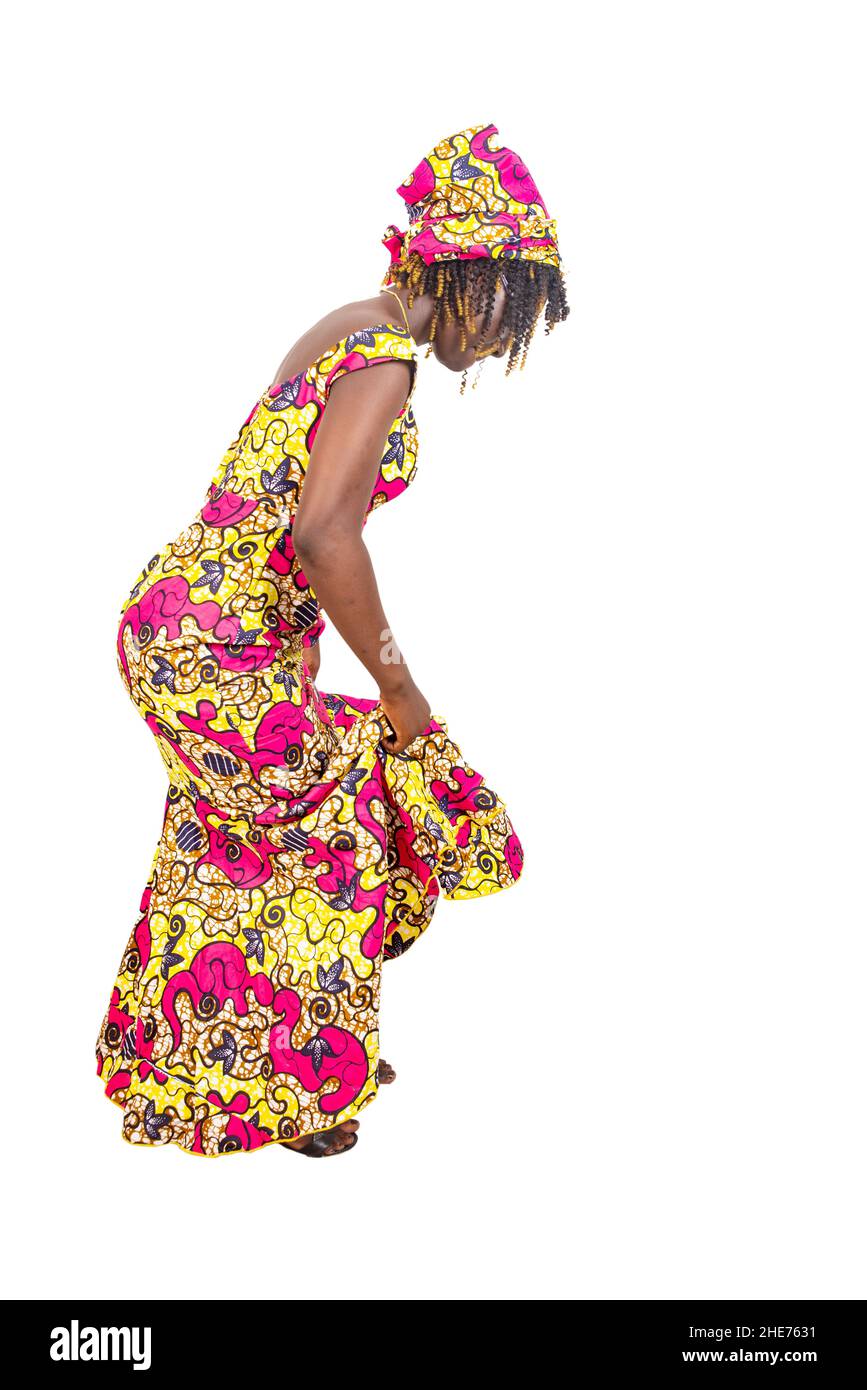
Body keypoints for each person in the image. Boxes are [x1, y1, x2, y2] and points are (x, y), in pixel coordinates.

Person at [96, 121, 570, 1158]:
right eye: (504, 306)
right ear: (458, 266)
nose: (498, 340)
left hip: (190, 623)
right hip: (215, 641)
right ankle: (299, 1070)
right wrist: (400, 687)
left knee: (233, 833)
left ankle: (254, 1047)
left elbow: (273, 517)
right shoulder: (386, 359)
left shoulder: (346, 325)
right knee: (336, 810)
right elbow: (320, 531)